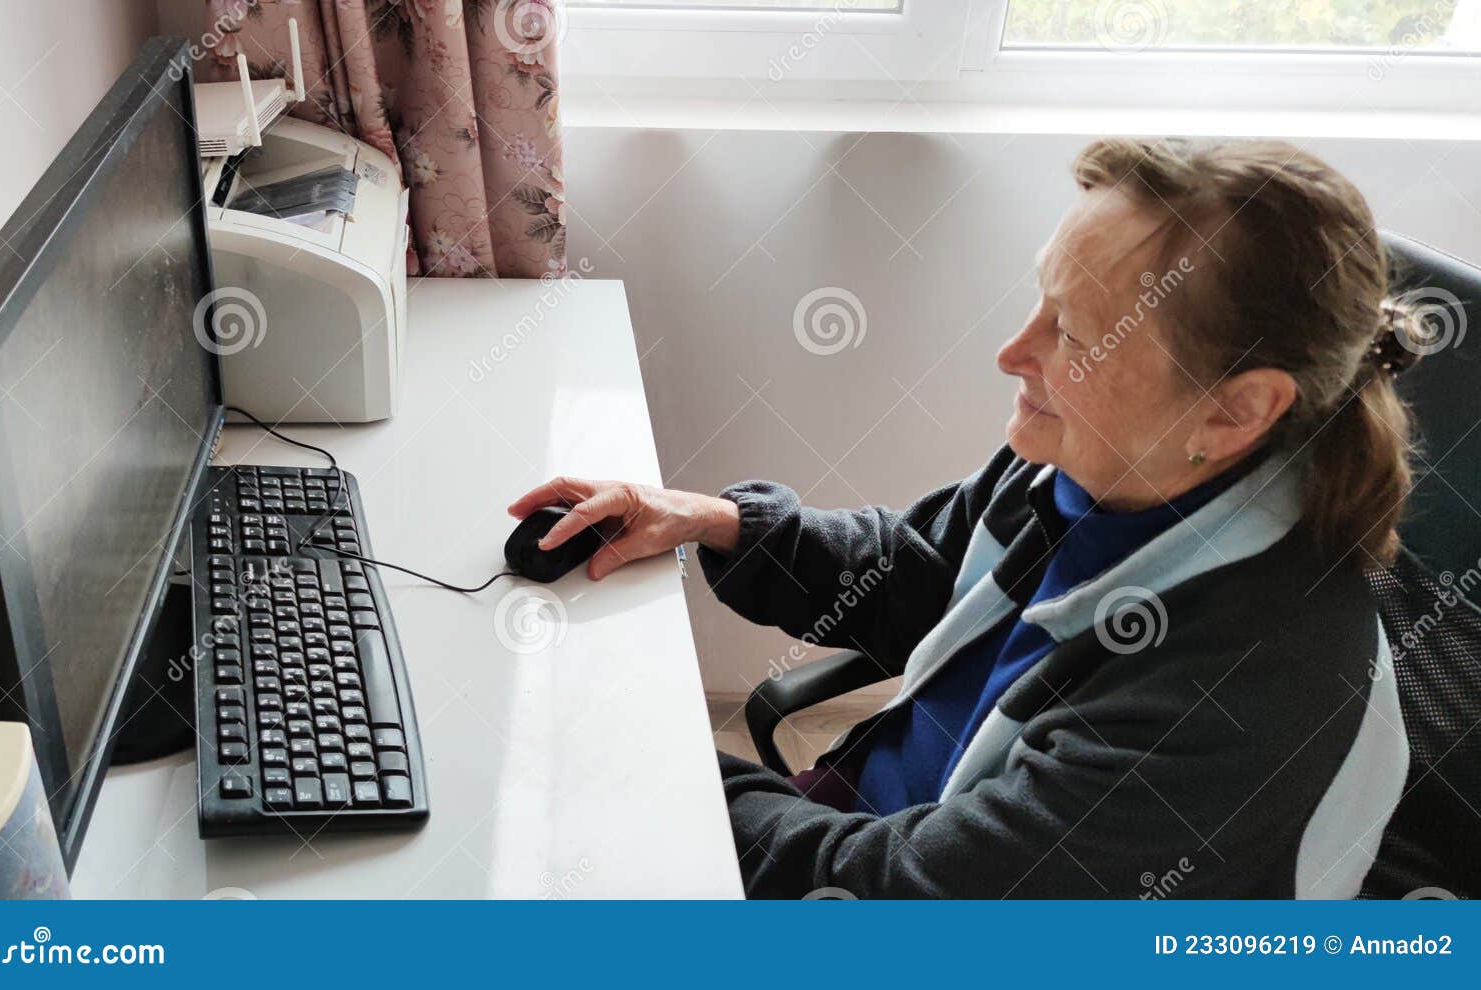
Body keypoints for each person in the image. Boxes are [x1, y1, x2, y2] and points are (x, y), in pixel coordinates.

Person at [508, 137, 1423, 899]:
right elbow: (922, 568)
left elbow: (909, 898)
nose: (1012, 351)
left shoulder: (1237, 698)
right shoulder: (1100, 464)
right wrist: (715, 522)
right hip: (882, 824)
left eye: (1073, 330)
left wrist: (674, 771)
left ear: (1235, 411)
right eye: (1043, 299)